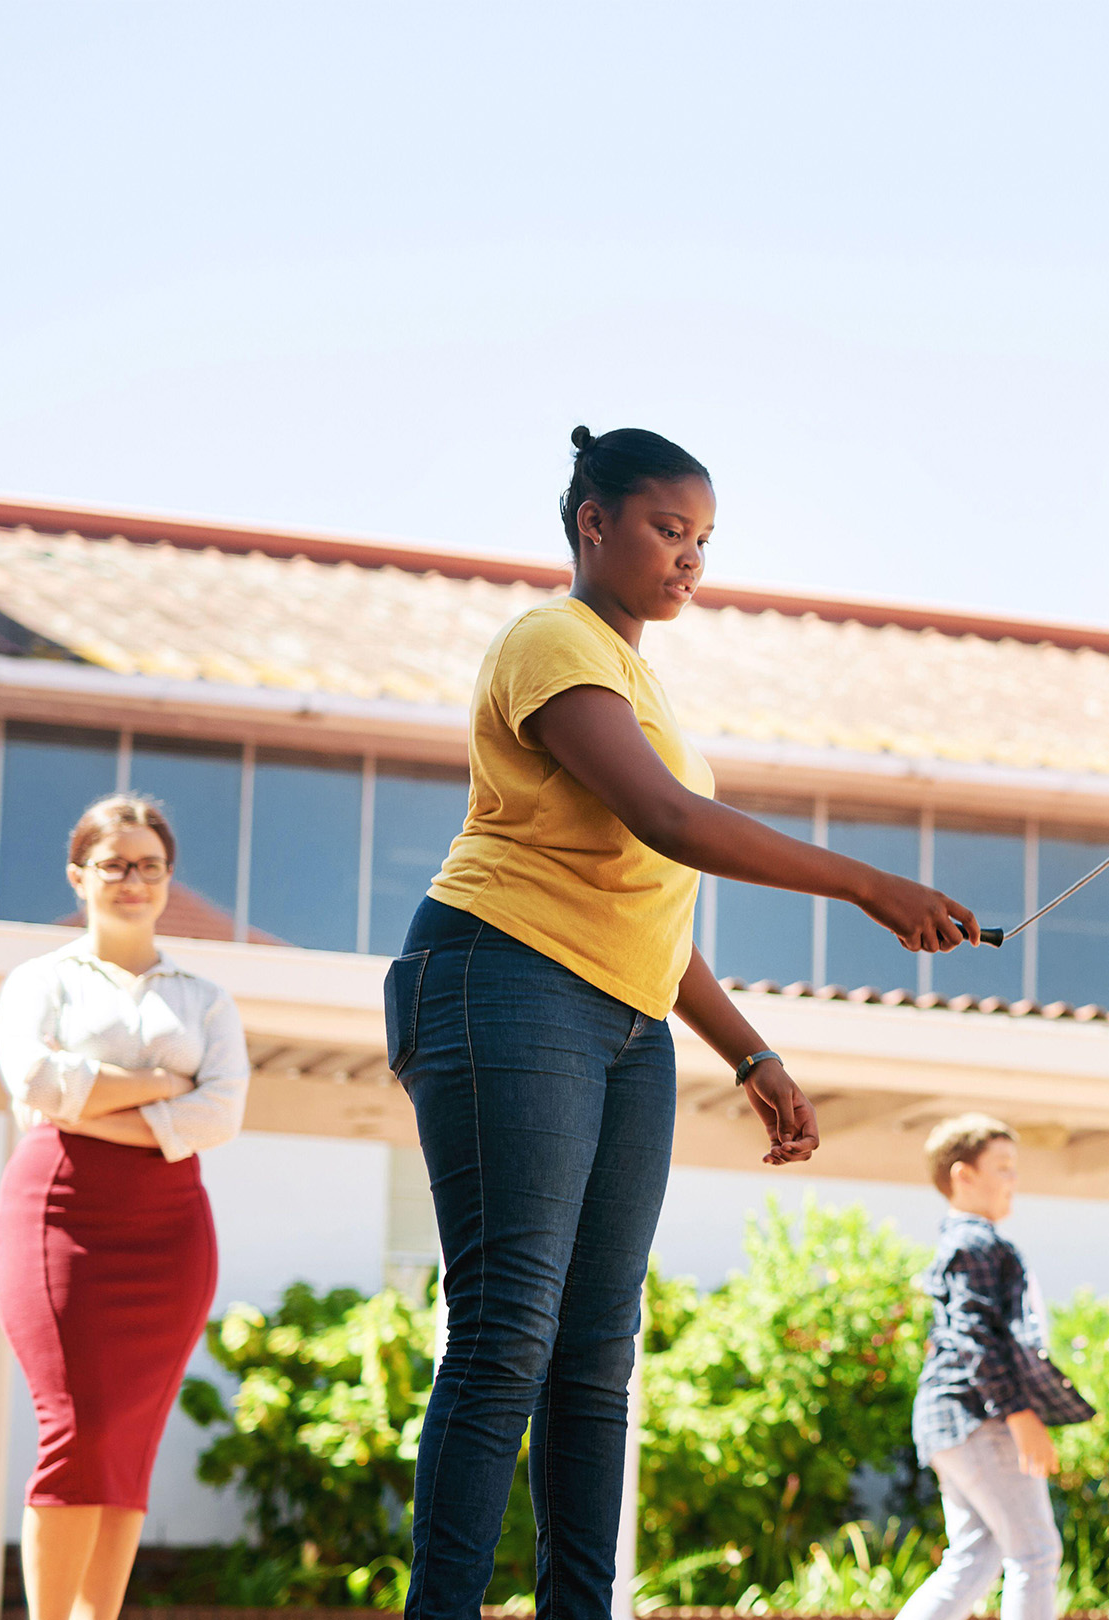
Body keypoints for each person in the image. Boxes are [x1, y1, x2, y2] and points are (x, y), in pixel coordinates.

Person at [388, 425, 981, 1619]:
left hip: (622, 1016)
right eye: (669, 529)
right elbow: (667, 821)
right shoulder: (552, 641)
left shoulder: (635, 677)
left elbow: (645, 901)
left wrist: (749, 1051)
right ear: (593, 521)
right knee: (508, 1329)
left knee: (598, 1351)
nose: (691, 557)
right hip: (502, 976)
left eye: (705, 538)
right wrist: (867, 883)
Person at [0, 793, 249, 1620]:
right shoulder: (40, 981)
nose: (133, 880)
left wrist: (92, 1100)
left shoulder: (205, 997)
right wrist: (167, 1086)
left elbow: (222, 1113)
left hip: (170, 1231)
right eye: (114, 864)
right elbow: (36, 1082)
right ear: (80, 875)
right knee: (78, 1425)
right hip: (59, 1214)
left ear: (169, 878)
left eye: (149, 866)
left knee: (129, 1438)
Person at [899, 1114, 1095, 1620]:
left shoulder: (959, 1242)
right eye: (1003, 1167)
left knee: (976, 1558)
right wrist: (1019, 1413)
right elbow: (976, 1335)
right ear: (963, 1176)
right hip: (977, 1417)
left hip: (948, 1419)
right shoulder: (978, 1242)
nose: (1014, 1179)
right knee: (1035, 1554)